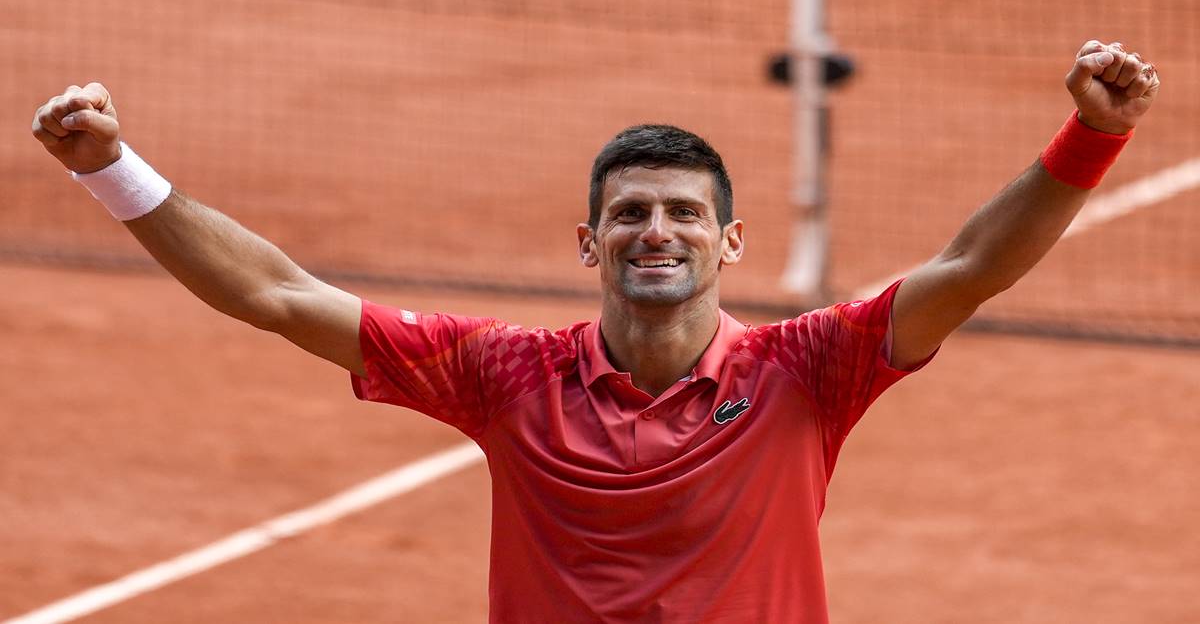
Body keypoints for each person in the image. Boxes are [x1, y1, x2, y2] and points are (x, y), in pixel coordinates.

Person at [31, 39, 1158, 622]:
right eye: (630, 214)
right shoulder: (501, 375)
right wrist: (111, 170)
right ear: (589, 243)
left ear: (731, 245)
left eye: (683, 215)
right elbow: (273, 294)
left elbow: (970, 268)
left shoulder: (806, 371)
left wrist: (1088, 140)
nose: (655, 231)